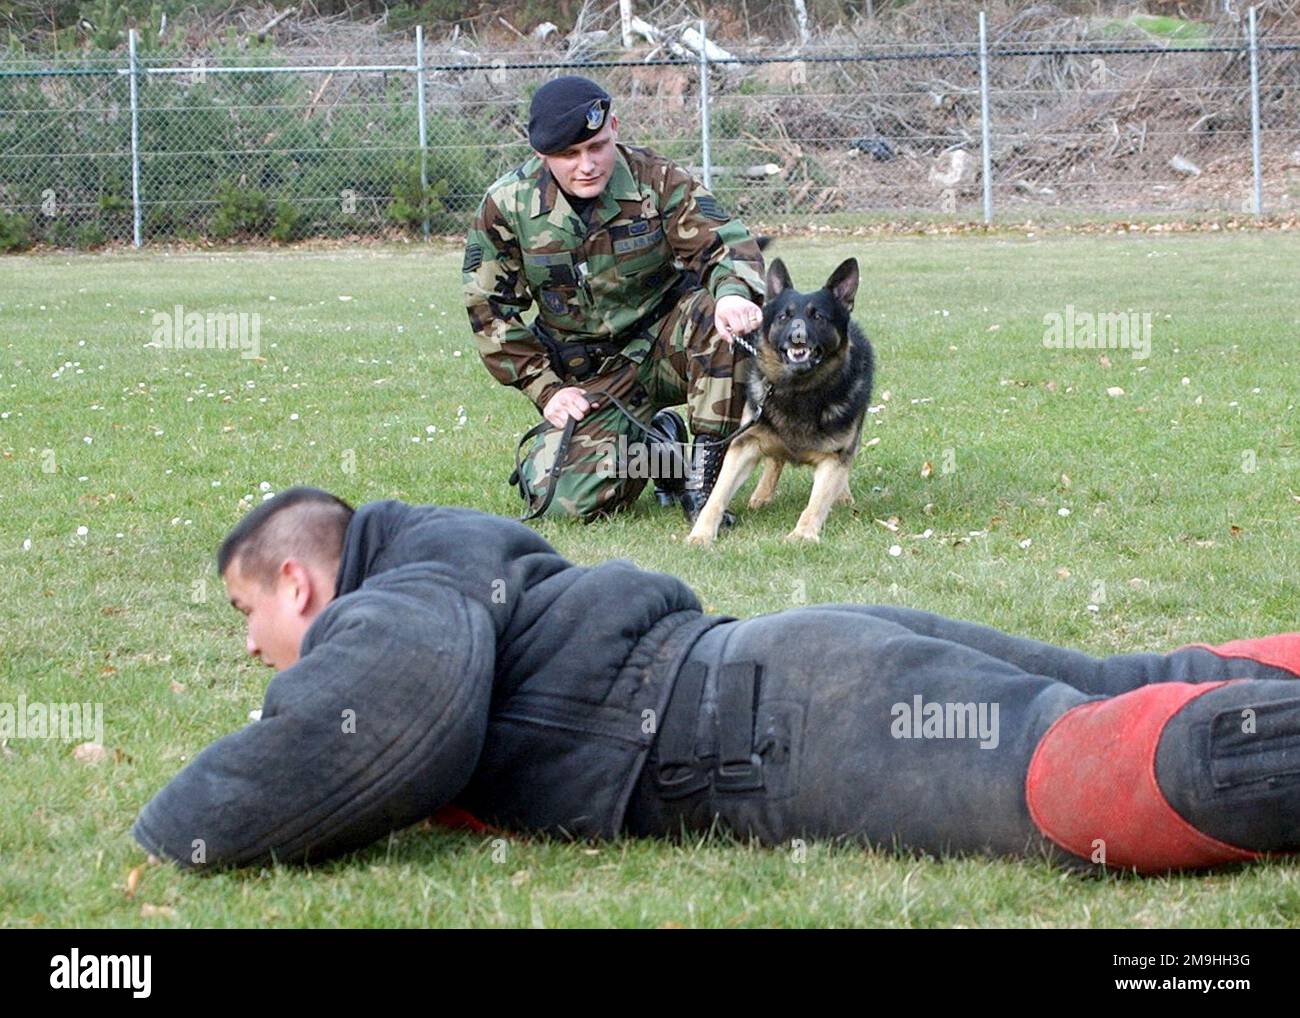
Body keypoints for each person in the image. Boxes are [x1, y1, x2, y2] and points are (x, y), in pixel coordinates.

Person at [133, 488, 1300, 875]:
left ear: (297, 581)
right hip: (784, 667)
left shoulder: (393, 602)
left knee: (1090, 776)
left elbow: (392, 729)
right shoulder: (442, 550)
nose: (251, 650)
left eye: (249, 616)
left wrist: (171, 828)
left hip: (771, 721)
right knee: (1137, 684)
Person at [462, 75, 765, 522]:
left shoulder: (656, 180)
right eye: (569, 155)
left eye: (597, 147)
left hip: (670, 344)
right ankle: (664, 453)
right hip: (593, 375)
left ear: (615, 128)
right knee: (563, 500)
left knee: (718, 320)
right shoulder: (507, 206)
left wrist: (732, 296)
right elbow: (490, 309)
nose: (587, 165)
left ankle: (704, 485)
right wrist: (546, 391)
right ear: (541, 154)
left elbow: (726, 244)